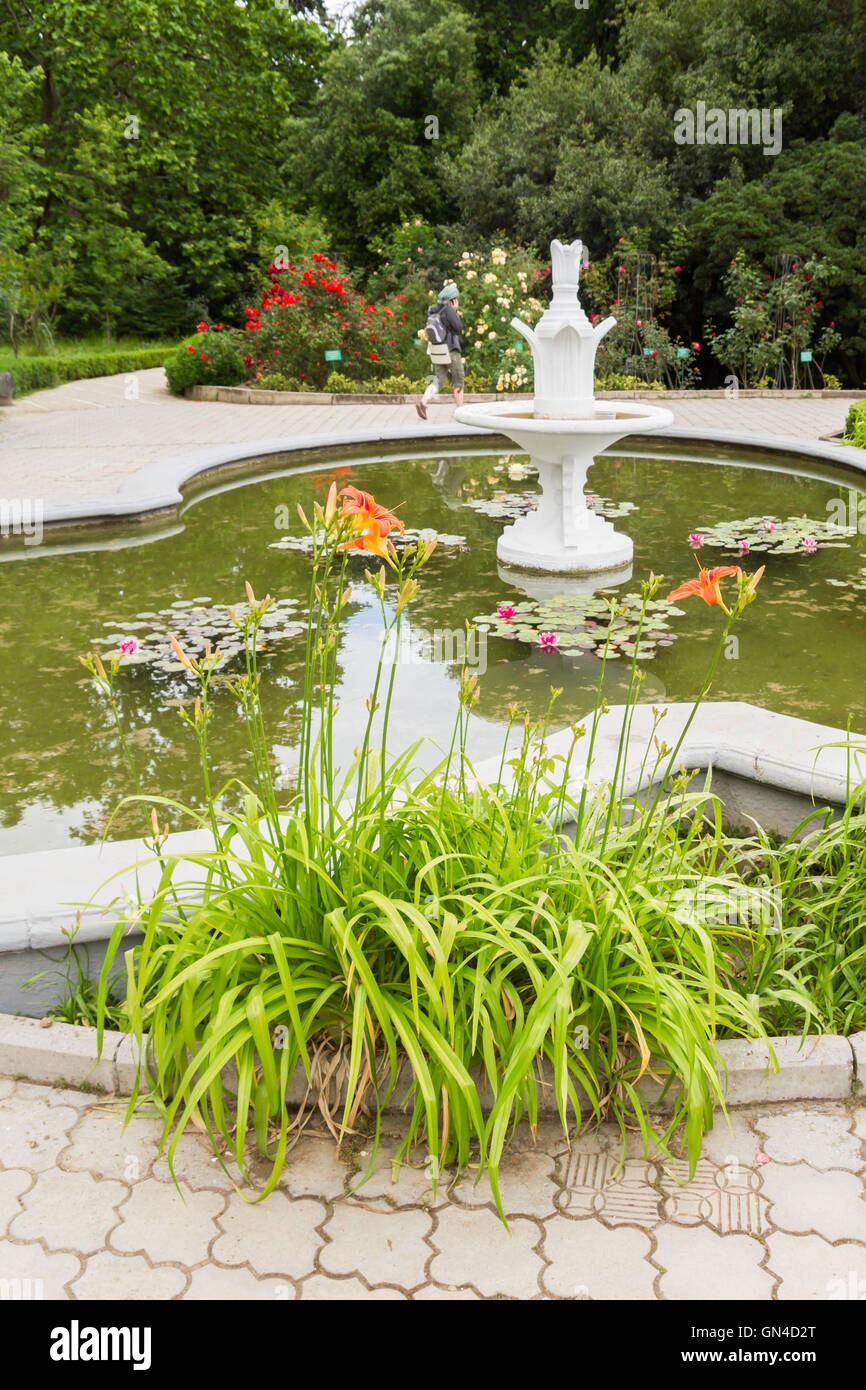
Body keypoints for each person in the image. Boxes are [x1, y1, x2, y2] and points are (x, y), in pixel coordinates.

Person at [416, 283, 464, 419]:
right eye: (456, 299)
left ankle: (423, 403)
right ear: (452, 300)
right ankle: (460, 412)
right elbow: (459, 327)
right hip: (450, 350)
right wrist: (454, 310)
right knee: (458, 379)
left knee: (439, 380)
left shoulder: (433, 310)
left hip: (436, 350)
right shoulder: (449, 310)